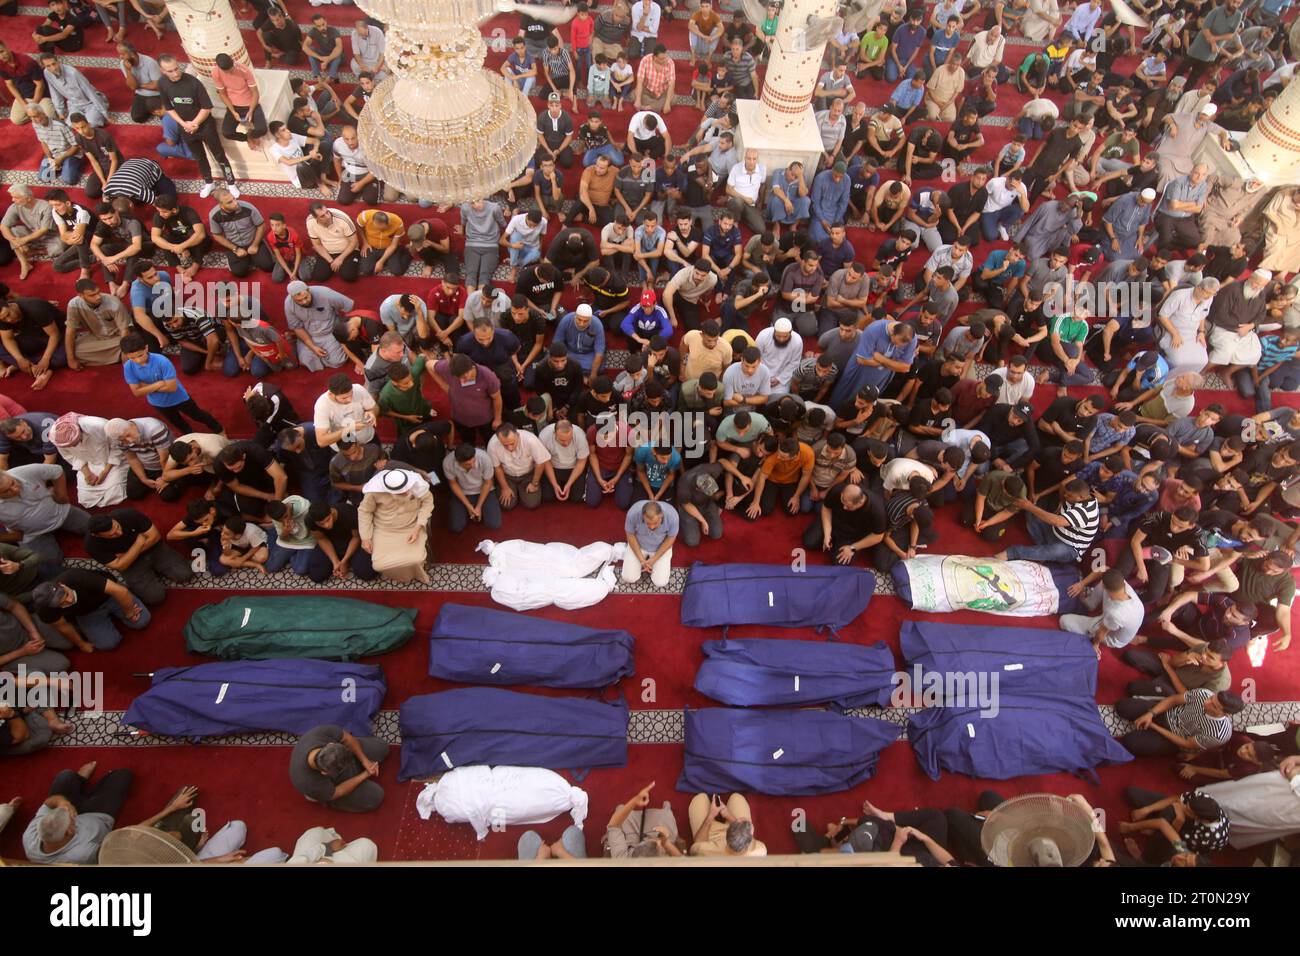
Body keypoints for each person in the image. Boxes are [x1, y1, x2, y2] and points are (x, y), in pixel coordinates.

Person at [157, 54, 236, 199]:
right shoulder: (162, 84)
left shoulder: (193, 83)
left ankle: (231, 182)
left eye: (176, 69)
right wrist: (183, 124)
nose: (175, 73)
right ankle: (208, 182)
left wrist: (195, 123)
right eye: (170, 71)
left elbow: (206, 107)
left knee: (219, 155)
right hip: (186, 128)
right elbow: (169, 108)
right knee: (199, 157)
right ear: (162, 71)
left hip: (205, 126)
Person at [24, 762, 135, 863]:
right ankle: (84, 785)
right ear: (69, 831)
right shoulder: (80, 855)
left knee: (65, 776)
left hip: (71, 803)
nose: (73, 816)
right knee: (123, 775)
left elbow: (48, 803)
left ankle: (81, 780)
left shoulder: (29, 837)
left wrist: (62, 803)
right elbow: (116, 851)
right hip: (97, 814)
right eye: (72, 819)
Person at [83, 507, 191, 605]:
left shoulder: (126, 513)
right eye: (112, 535)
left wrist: (127, 556)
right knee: (155, 597)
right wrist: (138, 543)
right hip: (132, 566)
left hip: (153, 549)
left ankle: (156, 571)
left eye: (117, 527)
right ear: (96, 535)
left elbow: (155, 536)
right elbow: (120, 566)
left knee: (185, 574)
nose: (119, 533)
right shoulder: (91, 544)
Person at [33, 568, 150, 652]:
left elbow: (119, 591)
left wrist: (129, 611)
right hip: (86, 613)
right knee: (108, 644)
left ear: (61, 585)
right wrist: (82, 644)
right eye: (61, 603)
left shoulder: (75, 576)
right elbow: (62, 626)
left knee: (142, 621)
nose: (68, 600)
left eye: (65, 594)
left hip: (108, 596)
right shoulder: (44, 610)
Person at [290, 724, 389, 812]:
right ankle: (326, 800)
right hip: (333, 786)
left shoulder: (319, 733)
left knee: (382, 747)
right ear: (324, 772)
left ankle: (354, 765)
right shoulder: (308, 783)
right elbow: (339, 791)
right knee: (375, 796)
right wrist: (364, 775)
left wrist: (364, 760)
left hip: (342, 757)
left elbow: (347, 738)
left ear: (331, 744)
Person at [1116, 688, 1245, 756]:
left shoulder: (1219, 734)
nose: (1207, 702)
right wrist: (1151, 714)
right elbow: (1173, 701)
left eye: (1214, 705)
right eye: (1212, 698)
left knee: (1130, 742)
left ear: (1225, 714)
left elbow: (1186, 743)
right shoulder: (1204, 694)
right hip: (1167, 714)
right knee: (1122, 706)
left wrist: (1154, 726)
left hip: (1173, 739)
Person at [359, 468, 433, 584]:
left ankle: (417, 574)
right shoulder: (374, 491)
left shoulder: (417, 484)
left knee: (416, 559)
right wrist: (365, 538)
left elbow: (428, 502)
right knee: (379, 565)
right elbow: (364, 511)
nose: (405, 492)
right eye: (401, 492)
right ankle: (400, 576)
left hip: (411, 526)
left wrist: (418, 527)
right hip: (384, 529)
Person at [1059, 567, 1146, 657]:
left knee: (1064, 621)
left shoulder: (1116, 614)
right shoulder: (1122, 584)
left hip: (1112, 636)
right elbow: (1103, 569)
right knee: (1106, 579)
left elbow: (1102, 632)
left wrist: (1095, 644)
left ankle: (1089, 633)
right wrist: (1082, 584)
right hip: (1117, 617)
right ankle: (1090, 603)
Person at [687, 792, 766, 856]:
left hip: (711, 837)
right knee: (737, 797)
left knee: (700, 798)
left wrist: (710, 816)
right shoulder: (760, 850)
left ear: (727, 835)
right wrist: (728, 815)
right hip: (735, 836)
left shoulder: (704, 851)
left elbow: (698, 842)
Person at [623, 499, 677, 586]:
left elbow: (670, 539)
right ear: (643, 516)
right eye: (648, 523)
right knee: (629, 578)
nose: (651, 527)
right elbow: (630, 535)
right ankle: (643, 561)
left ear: (661, 515)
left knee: (660, 583)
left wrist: (654, 559)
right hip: (639, 545)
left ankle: (651, 562)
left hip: (659, 547)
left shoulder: (672, 516)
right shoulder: (633, 513)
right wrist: (641, 559)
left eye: (655, 523)